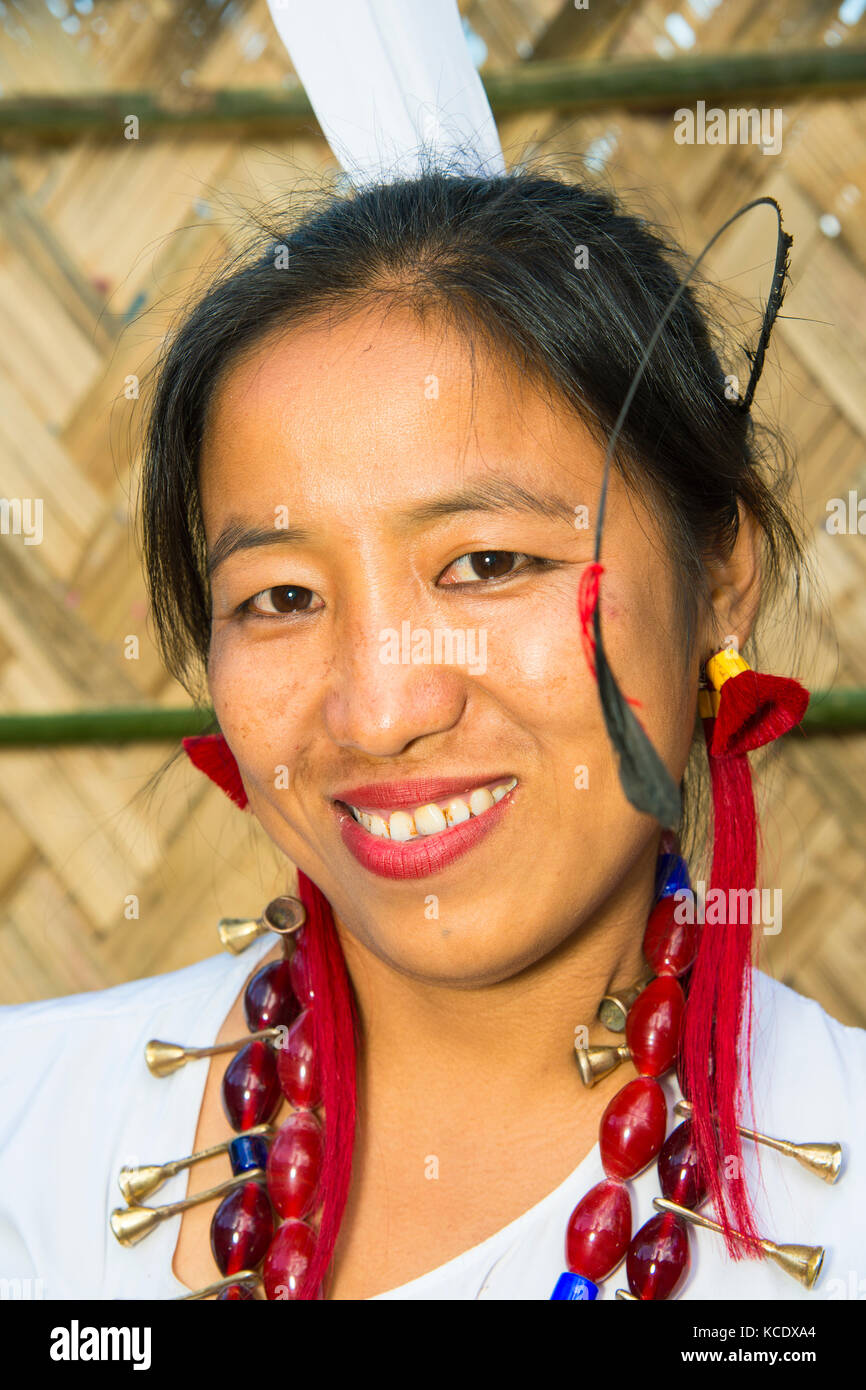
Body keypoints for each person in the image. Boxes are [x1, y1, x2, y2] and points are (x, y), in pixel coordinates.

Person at [0, 159, 863, 1302]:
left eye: (487, 564)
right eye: (282, 598)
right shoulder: (32, 1136)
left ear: (718, 571)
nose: (380, 708)